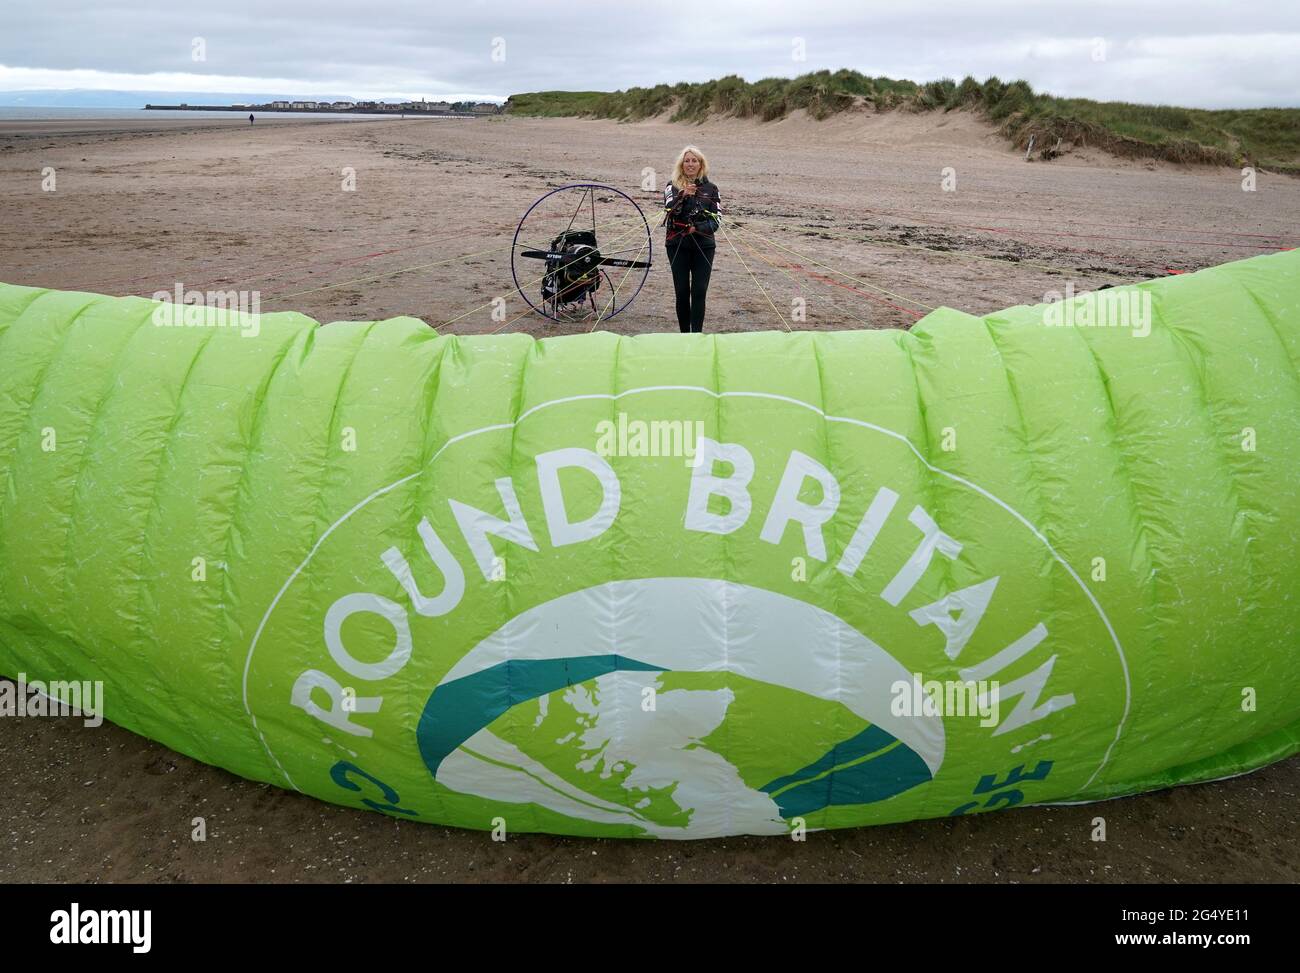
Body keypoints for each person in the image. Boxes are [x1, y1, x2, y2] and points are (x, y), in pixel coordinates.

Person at [663, 146, 721, 333]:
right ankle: (684, 334)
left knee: (699, 291)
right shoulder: (671, 186)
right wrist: (682, 196)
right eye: (687, 161)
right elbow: (669, 213)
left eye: (694, 160)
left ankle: (696, 334)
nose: (690, 164)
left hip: (704, 246)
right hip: (677, 245)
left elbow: (716, 221)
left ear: (701, 164)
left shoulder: (711, 189)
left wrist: (697, 228)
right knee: (681, 292)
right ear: (681, 164)